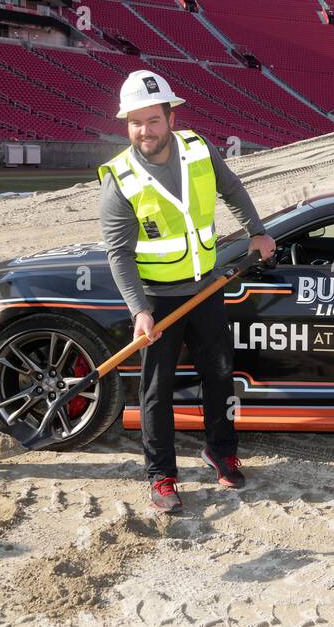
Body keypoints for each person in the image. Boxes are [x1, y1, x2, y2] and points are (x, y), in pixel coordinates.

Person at [100, 70, 275, 514]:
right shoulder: (119, 177)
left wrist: (258, 232)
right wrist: (139, 310)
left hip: (206, 290)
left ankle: (221, 451)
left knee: (218, 374)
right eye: (135, 122)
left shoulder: (199, 150)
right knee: (156, 391)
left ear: (170, 117)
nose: (145, 131)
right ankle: (162, 475)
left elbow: (232, 188)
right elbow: (118, 254)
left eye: (153, 120)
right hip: (158, 300)